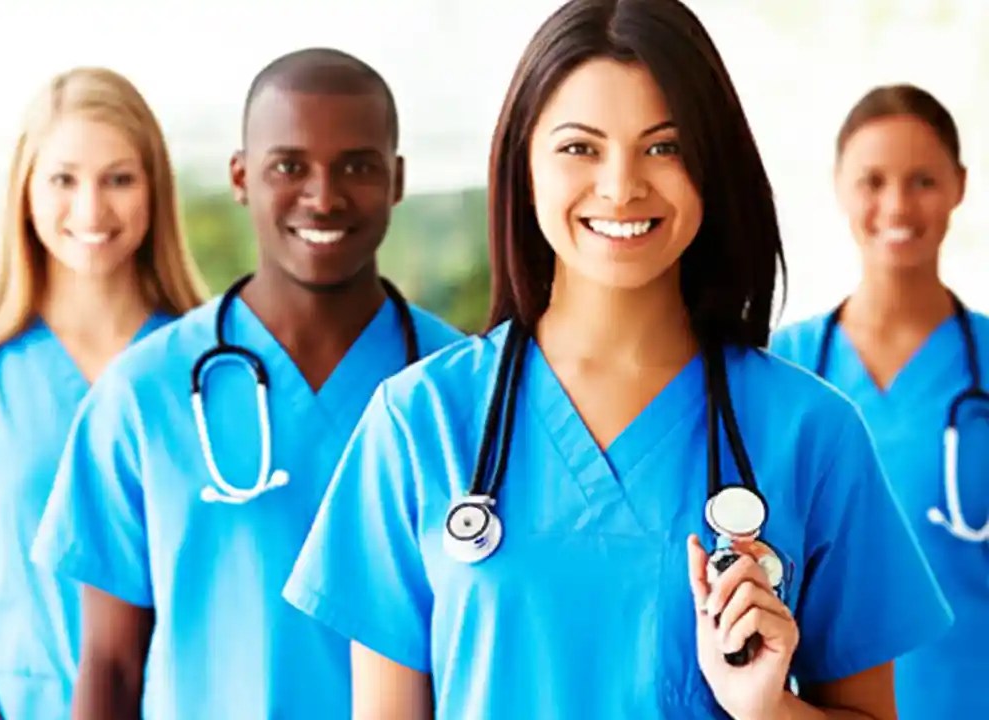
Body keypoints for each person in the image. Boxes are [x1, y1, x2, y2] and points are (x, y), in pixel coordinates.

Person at [281, 1, 954, 718]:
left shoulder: (811, 432)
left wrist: (768, 709)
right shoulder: (421, 423)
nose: (622, 185)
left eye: (664, 147)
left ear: (712, 169)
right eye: (580, 147)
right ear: (524, 164)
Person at [30, 48, 464, 718]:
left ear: (398, 179)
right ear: (240, 176)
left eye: (358, 166)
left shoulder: (461, 390)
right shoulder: (143, 394)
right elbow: (111, 668)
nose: (323, 195)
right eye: (289, 166)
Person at [0, 67, 206, 720]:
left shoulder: (209, 373)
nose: (91, 210)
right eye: (63, 179)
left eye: (119, 178)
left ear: (155, 190)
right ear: (25, 191)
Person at [770, 84, 988, 719]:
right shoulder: (781, 369)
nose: (897, 204)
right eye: (873, 180)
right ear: (839, 186)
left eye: (923, 180)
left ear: (960, 186)